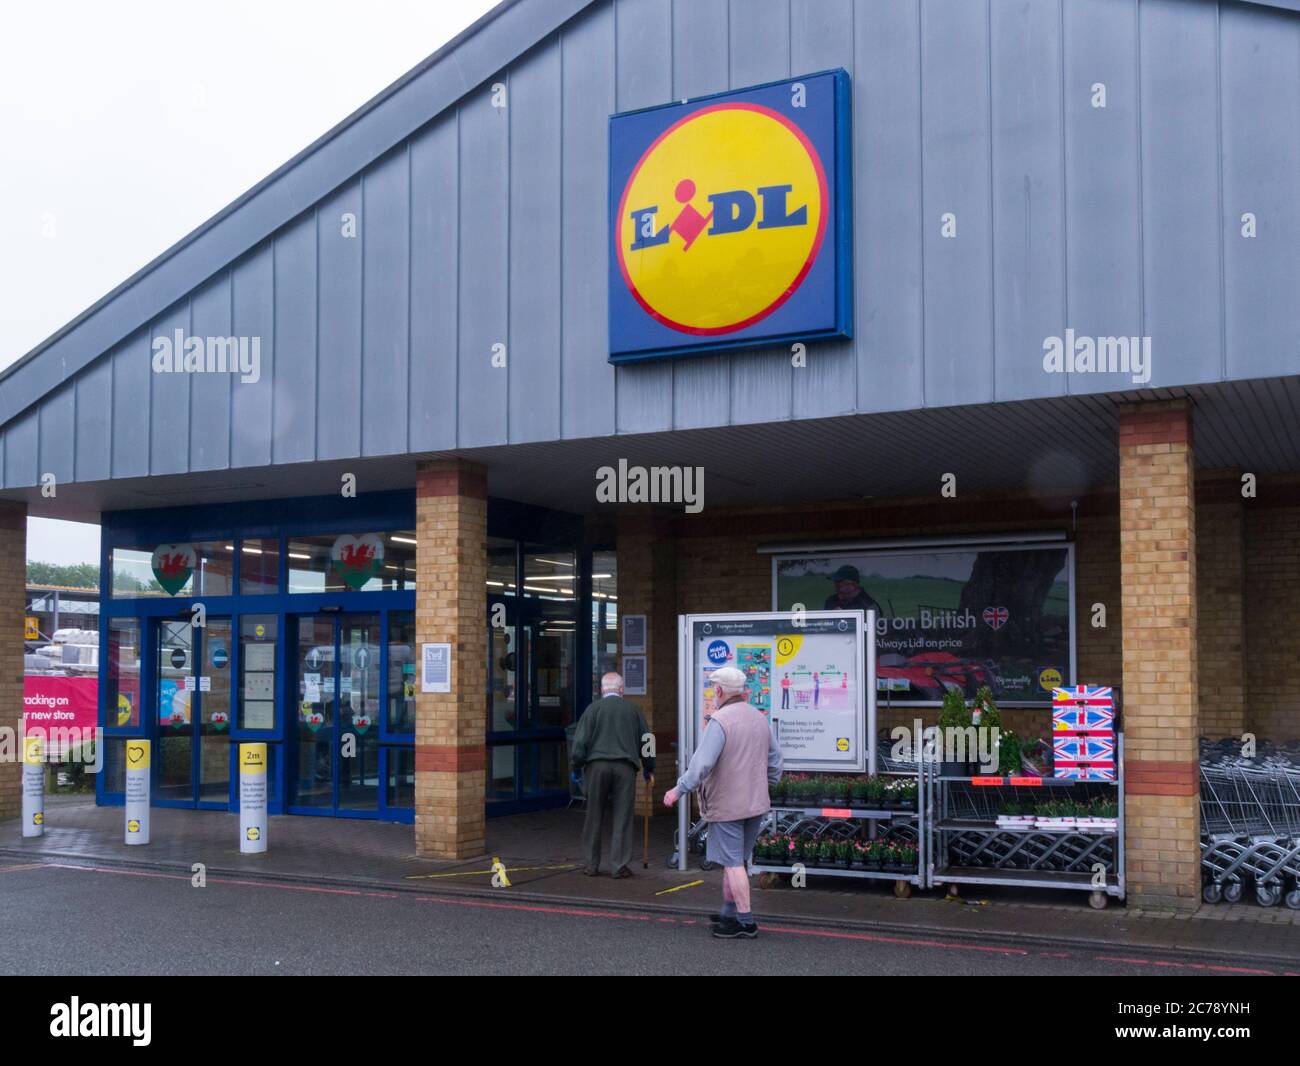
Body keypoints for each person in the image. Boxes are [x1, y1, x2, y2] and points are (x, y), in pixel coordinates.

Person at [665, 666, 783, 939]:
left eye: (712, 689)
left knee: (732, 864)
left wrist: (678, 789)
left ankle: (746, 922)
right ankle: (729, 913)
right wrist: (766, 786)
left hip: (728, 805)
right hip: (754, 804)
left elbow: (701, 764)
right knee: (736, 861)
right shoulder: (758, 718)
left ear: (718, 690)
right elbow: (776, 759)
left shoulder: (720, 721)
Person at [570, 672, 654, 878]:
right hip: (625, 768)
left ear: (602, 690)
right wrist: (649, 767)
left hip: (596, 767)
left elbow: (579, 743)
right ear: (622, 689)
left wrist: (576, 765)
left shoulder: (593, 709)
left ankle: (591, 864)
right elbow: (648, 739)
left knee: (593, 816)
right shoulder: (634, 710)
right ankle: (619, 866)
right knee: (623, 816)